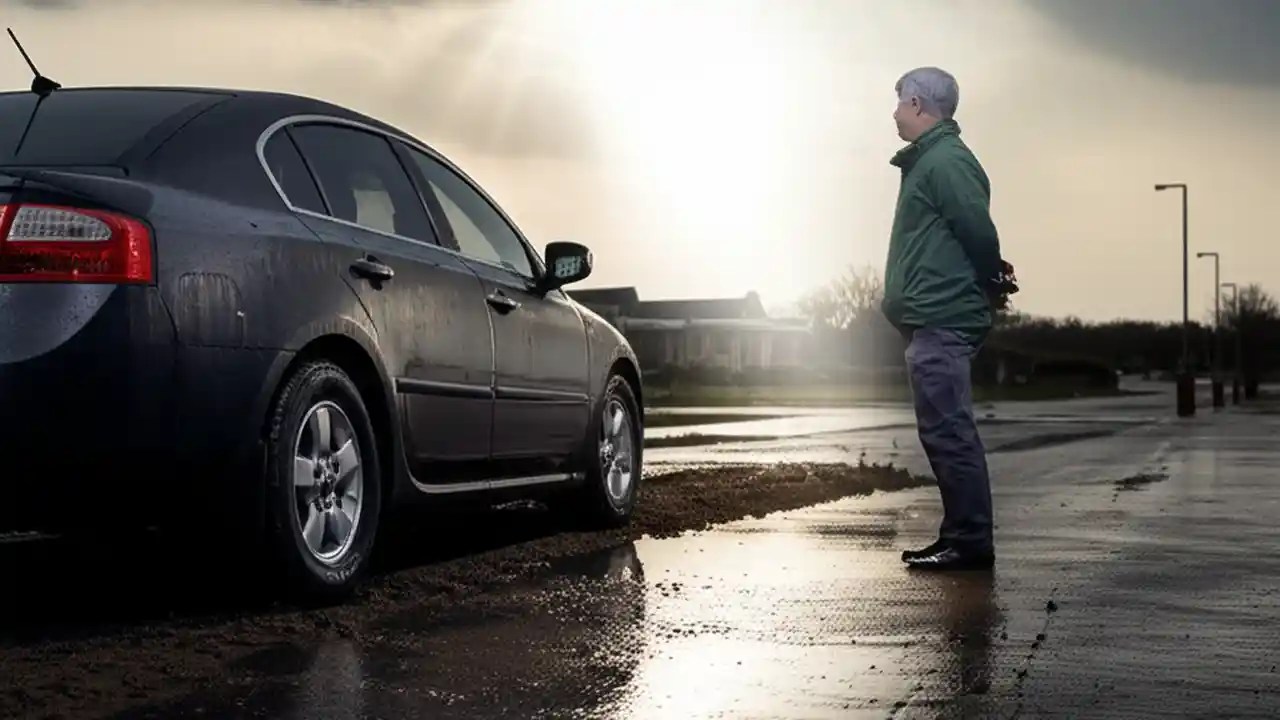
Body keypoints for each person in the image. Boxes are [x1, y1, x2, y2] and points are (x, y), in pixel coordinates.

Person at [882, 66, 1015, 571]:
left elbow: (979, 234)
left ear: (917, 105)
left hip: (942, 317)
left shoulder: (945, 162)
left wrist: (990, 279)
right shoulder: (931, 162)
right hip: (932, 317)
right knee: (944, 430)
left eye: (898, 102)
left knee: (949, 432)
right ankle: (961, 535)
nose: (894, 112)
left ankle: (969, 541)